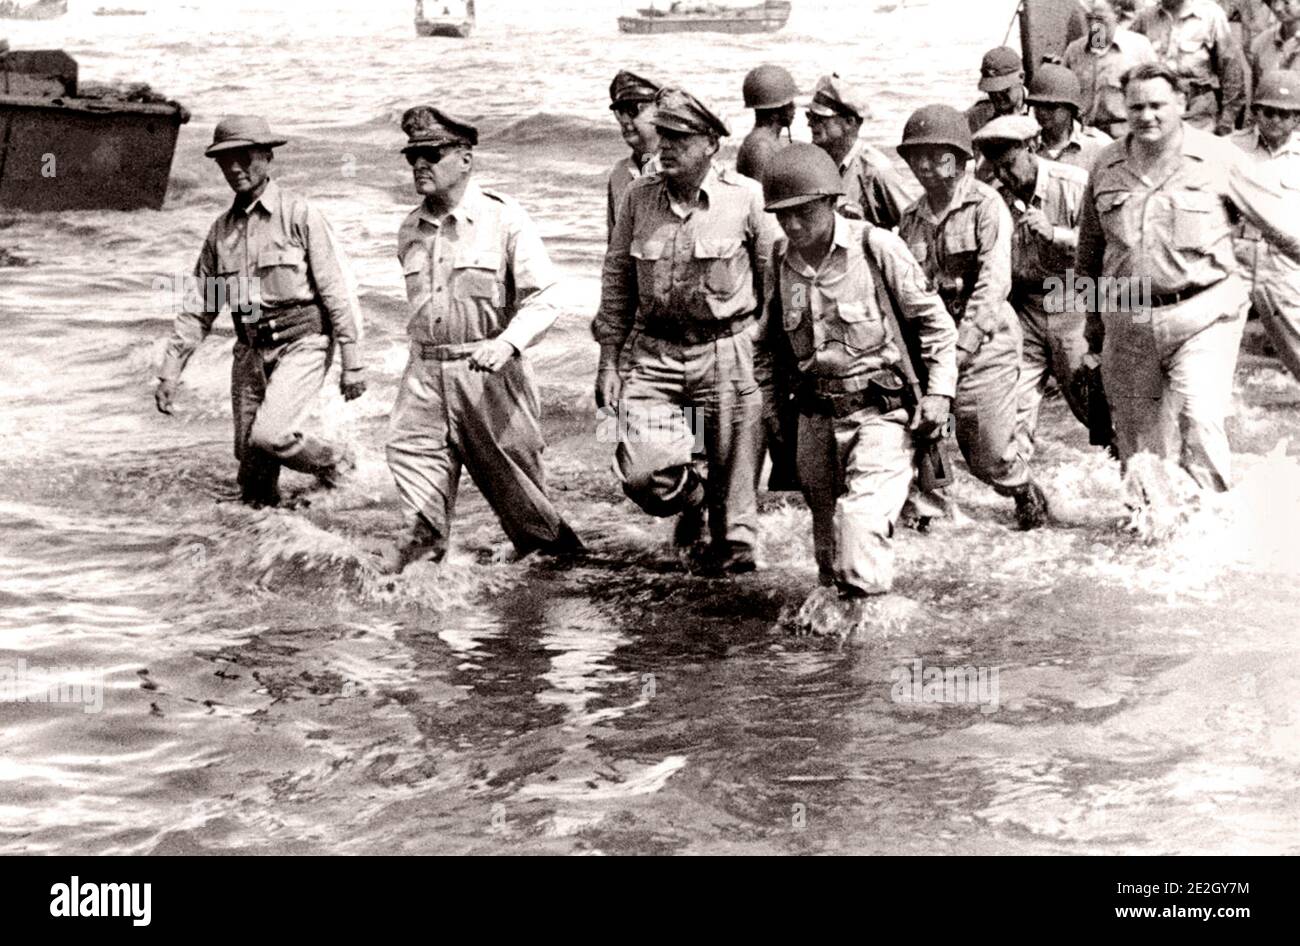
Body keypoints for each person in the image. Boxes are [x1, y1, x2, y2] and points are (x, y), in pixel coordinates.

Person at [1077, 62, 1300, 491]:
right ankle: (1153, 536)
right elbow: (1089, 254)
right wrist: (1087, 328)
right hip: (1129, 323)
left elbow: (1284, 227)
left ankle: (1211, 532)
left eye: (1157, 105)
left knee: (1198, 416)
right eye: (1136, 106)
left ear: (1181, 102)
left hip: (1204, 314)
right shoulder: (1105, 165)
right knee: (1140, 452)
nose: (1147, 116)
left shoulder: (1219, 159)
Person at [385, 106, 583, 570]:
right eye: (412, 155)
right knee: (419, 518)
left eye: (431, 154)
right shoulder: (410, 228)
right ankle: (418, 613)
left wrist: (507, 344)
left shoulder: (503, 219)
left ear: (465, 159)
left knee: (532, 526)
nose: (419, 165)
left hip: (489, 376)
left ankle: (561, 601)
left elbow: (546, 297)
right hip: (424, 379)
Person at [594, 87, 778, 574]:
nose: (667, 145)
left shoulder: (746, 199)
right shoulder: (638, 198)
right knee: (643, 475)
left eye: (681, 137)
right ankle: (692, 497)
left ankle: (731, 625)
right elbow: (616, 282)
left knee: (735, 527)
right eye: (665, 135)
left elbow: (776, 283)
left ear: (711, 144)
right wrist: (609, 360)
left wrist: (762, 356)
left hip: (728, 354)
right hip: (655, 357)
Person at [762, 144, 957, 602]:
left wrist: (939, 396)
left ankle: (874, 651)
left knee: (860, 529)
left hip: (880, 413)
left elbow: (937, 326)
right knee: (828, 557)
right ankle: (843, 656)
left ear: (831, 201)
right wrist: (773, 414)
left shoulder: (876, 247)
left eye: (803, 212)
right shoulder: (777, 259)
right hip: (813, 418)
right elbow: (767, 348)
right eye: (782, 215)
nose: (792, 225)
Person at [155, 116, 365, 507]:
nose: (235, 168)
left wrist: (353, 362)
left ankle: (336, 462)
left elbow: (338, 291)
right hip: (250, 351)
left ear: (267, 157)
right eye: (225, 161)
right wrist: (170, 370)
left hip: (302, 343)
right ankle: (279, 542)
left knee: (271, 437)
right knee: (253, 483)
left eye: (244, 157)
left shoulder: (301, 216)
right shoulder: (221, 231)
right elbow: (200, 306)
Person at [896, 105, 1051, 530]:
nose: (925, 166)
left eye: (938, 155)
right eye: (916, 156)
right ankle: (930, 517)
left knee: (987, 454)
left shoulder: (987, 206)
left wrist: (960, 349)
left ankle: (1022, 487)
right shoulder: (909, 220)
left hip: (985, 346)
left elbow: (994, 284)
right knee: (926, 435)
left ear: (962, 158)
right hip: (935, 349)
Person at [973, 115, 1093, 465]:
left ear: (1032, 148)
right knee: (1013, 413)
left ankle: (1137, 487)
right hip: (1024, 310)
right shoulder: (995, 199)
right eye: (997, 170)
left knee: (1093, 406)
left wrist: (1056, 234)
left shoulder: (1072, 184)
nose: (1006, 177)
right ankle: (1025, 498)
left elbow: (1106, 247)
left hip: (1073, 301)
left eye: (1010, 166)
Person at [1231, 69, 1300, 380]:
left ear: (1297, 118)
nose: (1276, 120)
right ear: (1255, 112)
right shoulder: (1229, 148)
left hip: (1283, 260)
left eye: (1285, 115)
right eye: (1269, 112)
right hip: (1234, 255)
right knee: (1210, 340)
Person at [805, 73, 911, 229]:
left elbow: (913, 224)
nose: (810, 123)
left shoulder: (875, 169)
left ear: (849, 122)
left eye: (819, 118)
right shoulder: (813, 164)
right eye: (810, 116)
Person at [1133, 0, 1248, 134]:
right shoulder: (1145, 18)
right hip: (1155, 114)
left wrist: (1227, 121)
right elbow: (1111, 48)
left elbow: (1231, 71)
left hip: (1198, 115)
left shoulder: (1211, 15)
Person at [1065, 0, 1158, 138]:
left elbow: (1156, 91)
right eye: (1090, 19)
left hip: (1124, 135)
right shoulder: (1075, 50)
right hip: (1085, 135)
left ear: (1117, 14)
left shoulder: (1138, 46)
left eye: (1101, 19)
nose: (1094, 25)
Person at [1026, 63, 1115, 172]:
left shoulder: (1098, 146)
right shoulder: (1026, 147)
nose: (1042, 112)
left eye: (1051, 107)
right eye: (1037, 106)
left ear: (1071, 108)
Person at [607, 70, 661, 239]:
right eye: (619, 112)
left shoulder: (680, 167)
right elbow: (614, 248)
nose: (624, 120)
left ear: (660, 111)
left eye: (633, 109)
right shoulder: (619, 175)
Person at [736, 63, 796, 183]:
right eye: (789, 104)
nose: (794, 108)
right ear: (777, 110)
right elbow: (760, 198)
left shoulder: (767, 141)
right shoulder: (761, 148)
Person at [966, 46, 1031, 135]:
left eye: (1004, 90)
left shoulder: (1040, 110)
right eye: (991, 91)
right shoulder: (977, 117)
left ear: (1022, 77)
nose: (997, 96)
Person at [1248, 0, 1300, 95]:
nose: (1278, 8)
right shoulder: (1262, 42)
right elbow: (1254, 89)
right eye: (1274, 1)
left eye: (1286, 2)